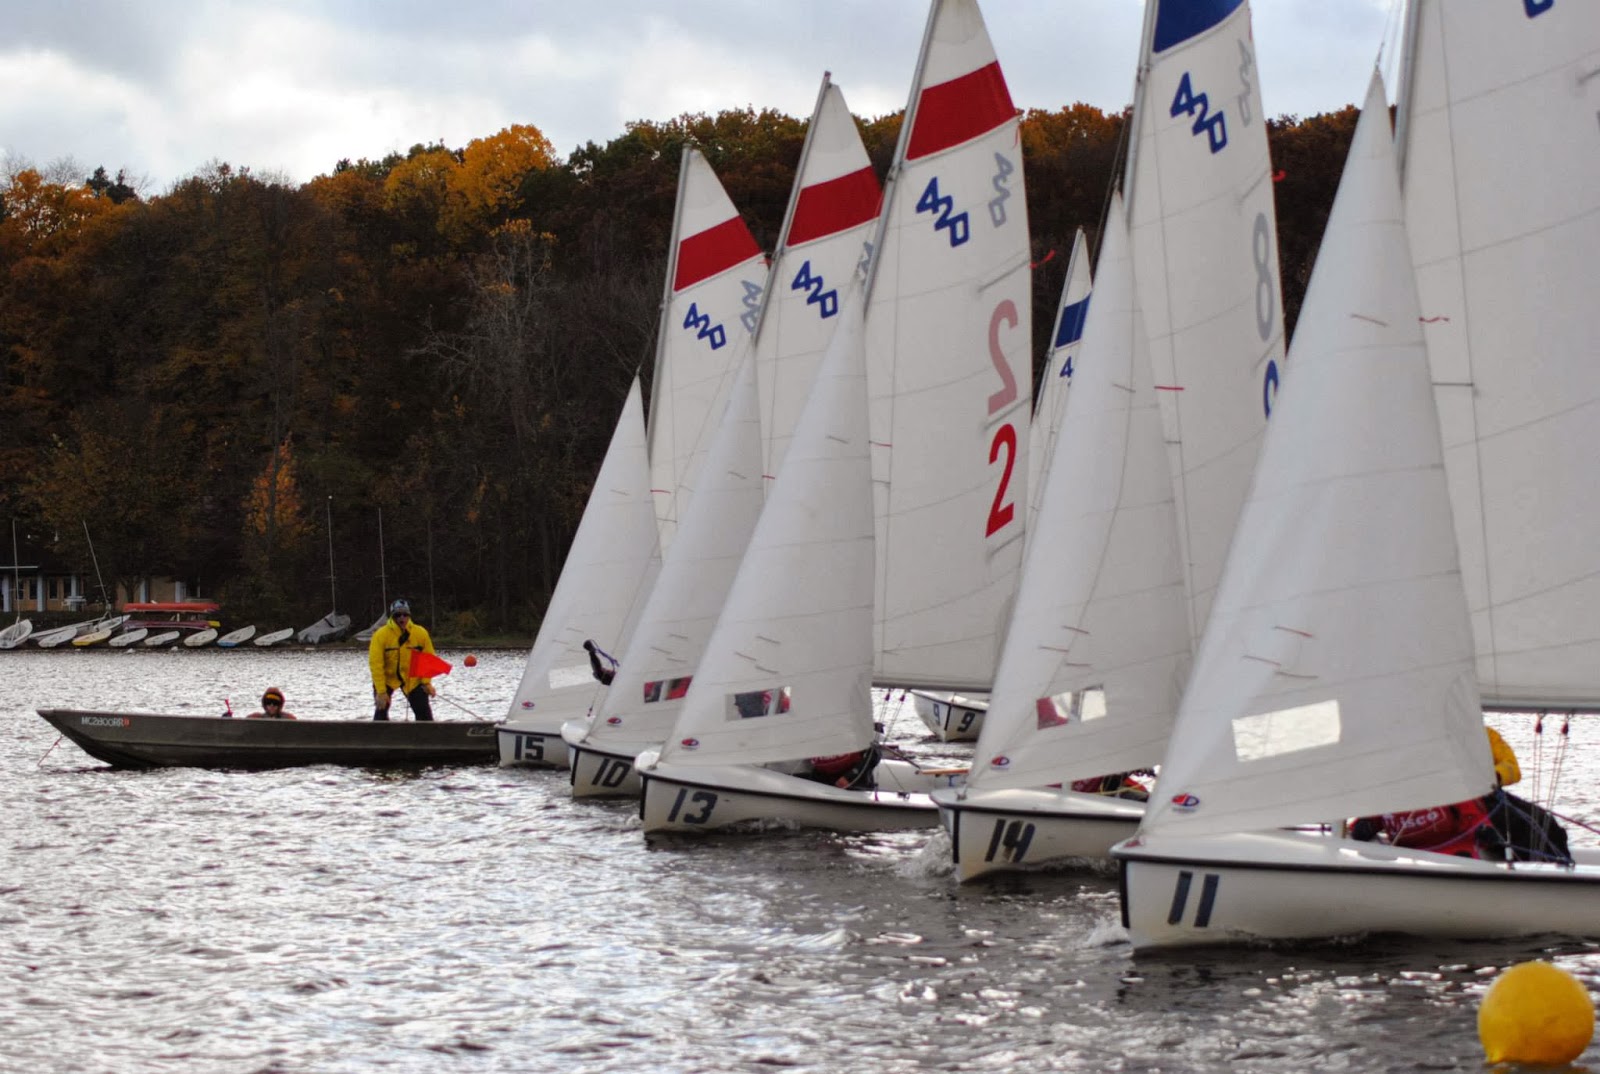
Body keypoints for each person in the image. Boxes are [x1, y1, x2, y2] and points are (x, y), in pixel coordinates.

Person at [1351, 725, 1570, 863]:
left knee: (1545, 827)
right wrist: (1366, 822)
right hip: (1440, 797)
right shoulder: (1425, 740)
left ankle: (1551, 873)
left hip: (1484, 796)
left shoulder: (1485, 735)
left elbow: (1512, 769)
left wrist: (1485, 778)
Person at [368, 599, 437, 721]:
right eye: (398, 615)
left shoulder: (420, 633)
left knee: (424, 712)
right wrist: (381, 691)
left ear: (409, 616)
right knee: (381, 709)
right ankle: (378, 737)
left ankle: (428, 737)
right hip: (387, 679)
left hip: (412, 679)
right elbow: (376, 664)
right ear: (392, 617)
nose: (402, 618)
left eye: (405, 615)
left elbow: (428, 658)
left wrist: (426, 682)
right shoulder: (380, 635)